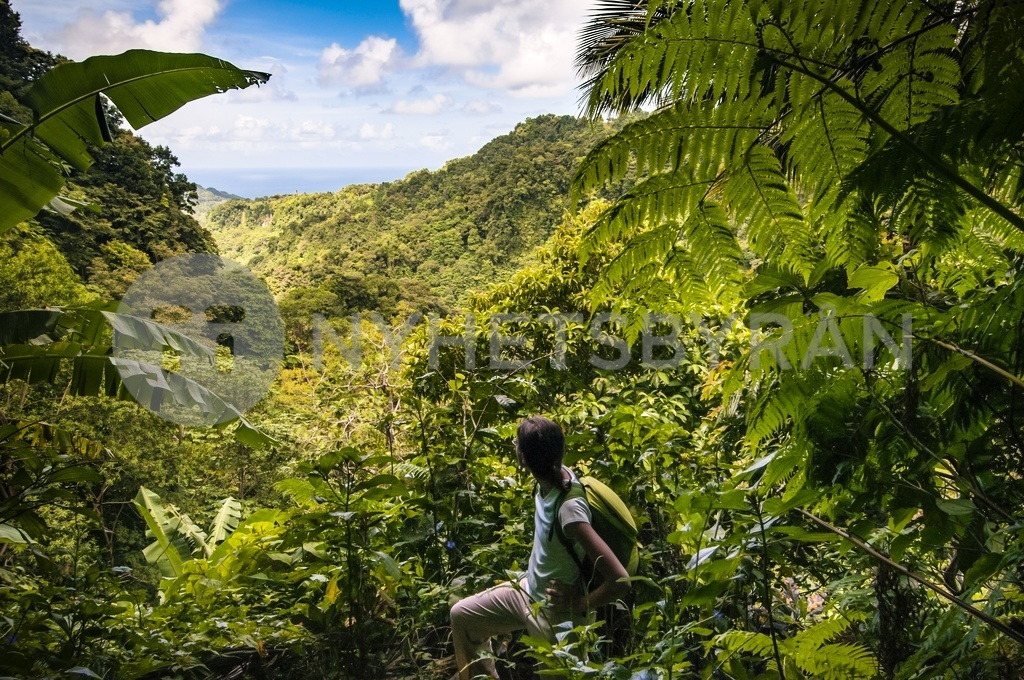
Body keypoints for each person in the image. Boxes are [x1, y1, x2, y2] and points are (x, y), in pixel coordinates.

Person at [449, 415, 631, 680]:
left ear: (523, 459)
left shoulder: (570, 511)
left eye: (517, 445)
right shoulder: (552, 472)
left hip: (556, 616)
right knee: (463, 616)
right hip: (527, 591)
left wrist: (580, 603)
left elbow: (621, 581)